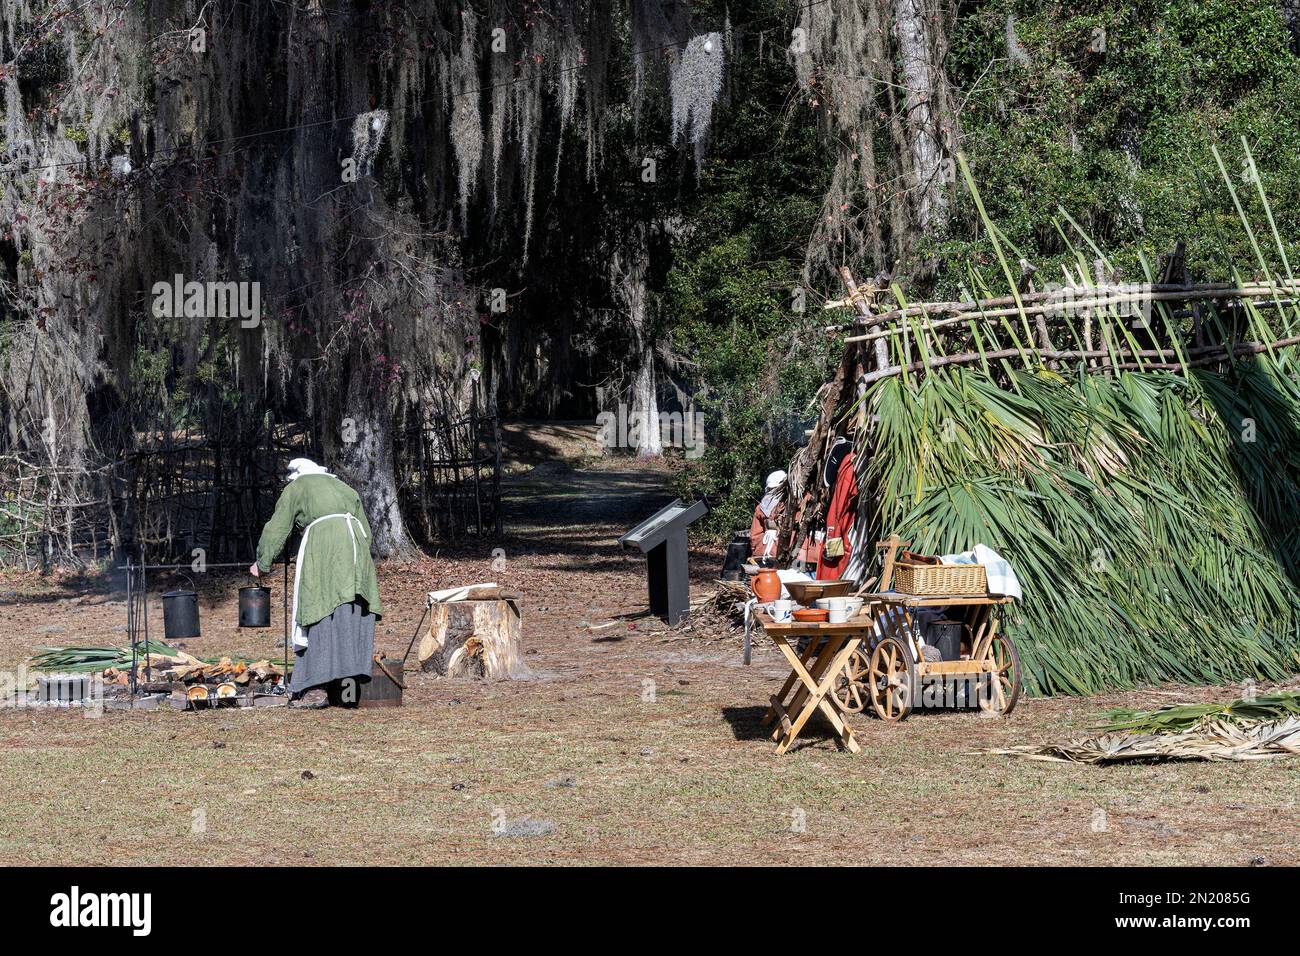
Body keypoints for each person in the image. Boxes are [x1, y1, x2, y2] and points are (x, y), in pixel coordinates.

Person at [250, 458, 383, 709]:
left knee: (321, 609)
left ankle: (315, 687)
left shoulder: (298, 487)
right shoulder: (344, 487)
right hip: (356, 553)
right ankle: (346, 690)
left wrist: (262, 561)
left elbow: (278, 526)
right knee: (349, 612)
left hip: (325, 549)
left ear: (296, 475)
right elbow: (365, 531)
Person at [750, 469, 787, 563]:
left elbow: (754, 535)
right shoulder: (761, 507)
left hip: (771, 552)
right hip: (769, 552)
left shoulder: (793, 504)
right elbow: (755, 534)